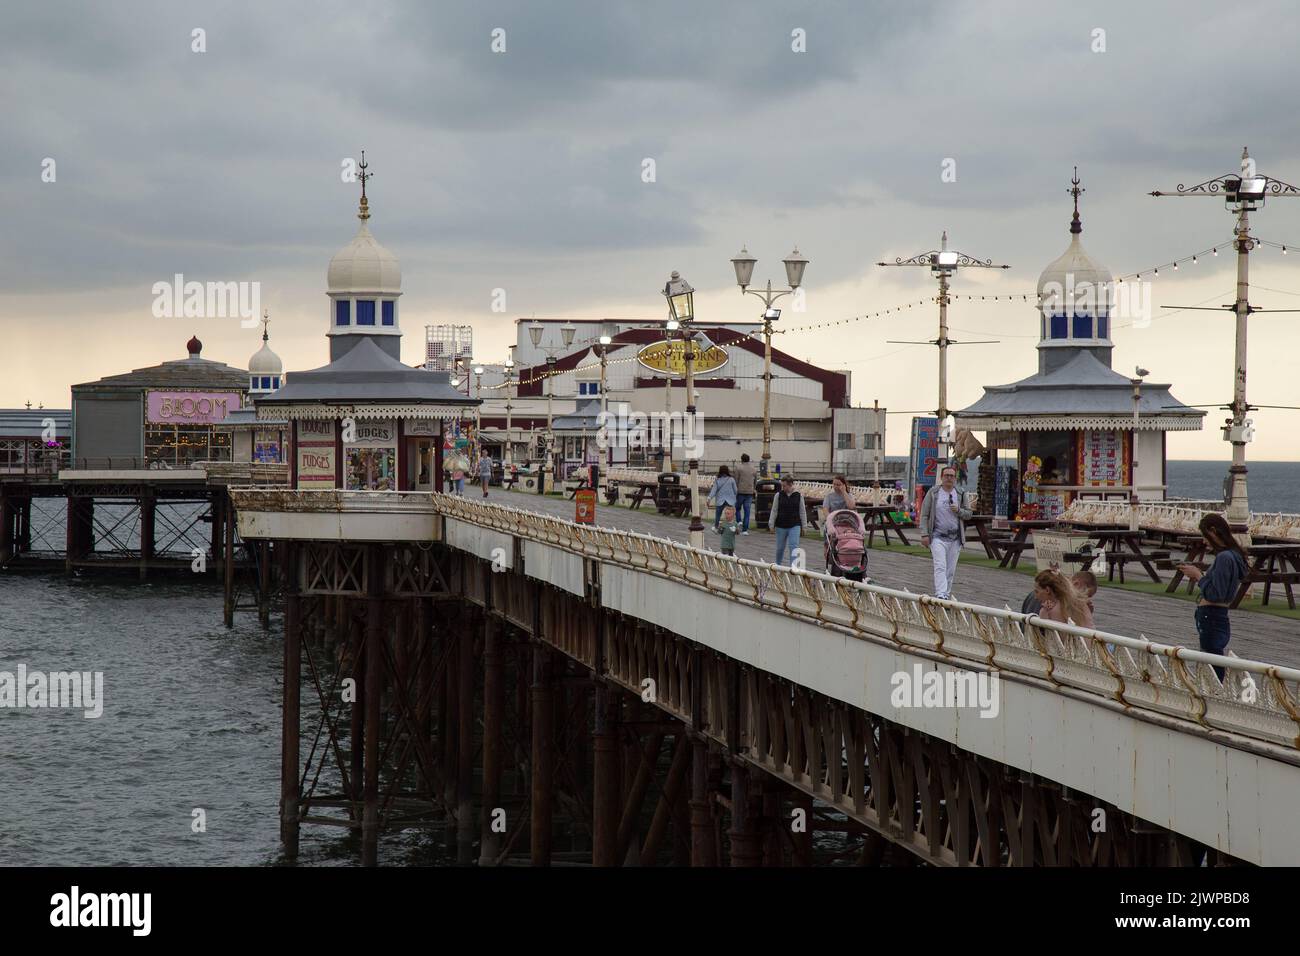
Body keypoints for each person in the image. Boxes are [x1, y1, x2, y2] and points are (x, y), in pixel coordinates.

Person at [1178, 513, 1248, 680]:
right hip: (1218, 616)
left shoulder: (1224, 558)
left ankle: (1217, 693)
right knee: (1213, 657)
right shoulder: (1234, 556)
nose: (1204, 541)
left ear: (1213, 531)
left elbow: (1215, 594)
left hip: (1212, 615)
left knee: (1212, 661)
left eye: (1205, 536)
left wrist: (1198, 576)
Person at [919, 465, 972, 600]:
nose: (949, 478)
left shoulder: (960, 494)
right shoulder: (933, 493)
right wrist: (924, 533)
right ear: (941, 477)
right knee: (940, 565)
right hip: (937, 536)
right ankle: (940, 594)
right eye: (946, 475)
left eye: (952, 476)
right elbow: (924, 515)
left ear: (955, 478)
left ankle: (946, 594)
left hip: (955, 538)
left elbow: (969, 514)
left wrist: (958, 510)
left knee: (950, 569)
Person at [768, 475, 805, 567]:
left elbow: (802, 512)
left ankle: (793, 567)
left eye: (784, 486)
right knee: (780, 548)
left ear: (790, 485)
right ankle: (778, 564)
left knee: (793, 546)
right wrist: (771, 524)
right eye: (782, 485)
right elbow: (774, 510)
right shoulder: (778, 495)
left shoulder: (799, 495)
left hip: (794, 524)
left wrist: (804, 526)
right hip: (781, 525)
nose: (783, 488)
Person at [734, 453, 757, 535]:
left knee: (737, 508)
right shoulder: (753, 468)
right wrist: (753, 489)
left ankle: (739, 521)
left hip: (740, 491)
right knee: (747, 511)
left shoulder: (738, 467)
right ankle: (745, 530)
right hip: (750, 492)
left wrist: (735, 490)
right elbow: (755, 480)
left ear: (741, 459)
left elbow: (736, 480)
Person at [710, 465, 738, 533]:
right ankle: (733, 527)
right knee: (731, 514)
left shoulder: (718, 480)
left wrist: (709, 498)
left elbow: (714, 490)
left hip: (720, 500)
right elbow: (736, 490)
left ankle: (716, 528)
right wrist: (733, 496)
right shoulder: (731, 479)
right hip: (730, 500)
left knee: (718, 515)